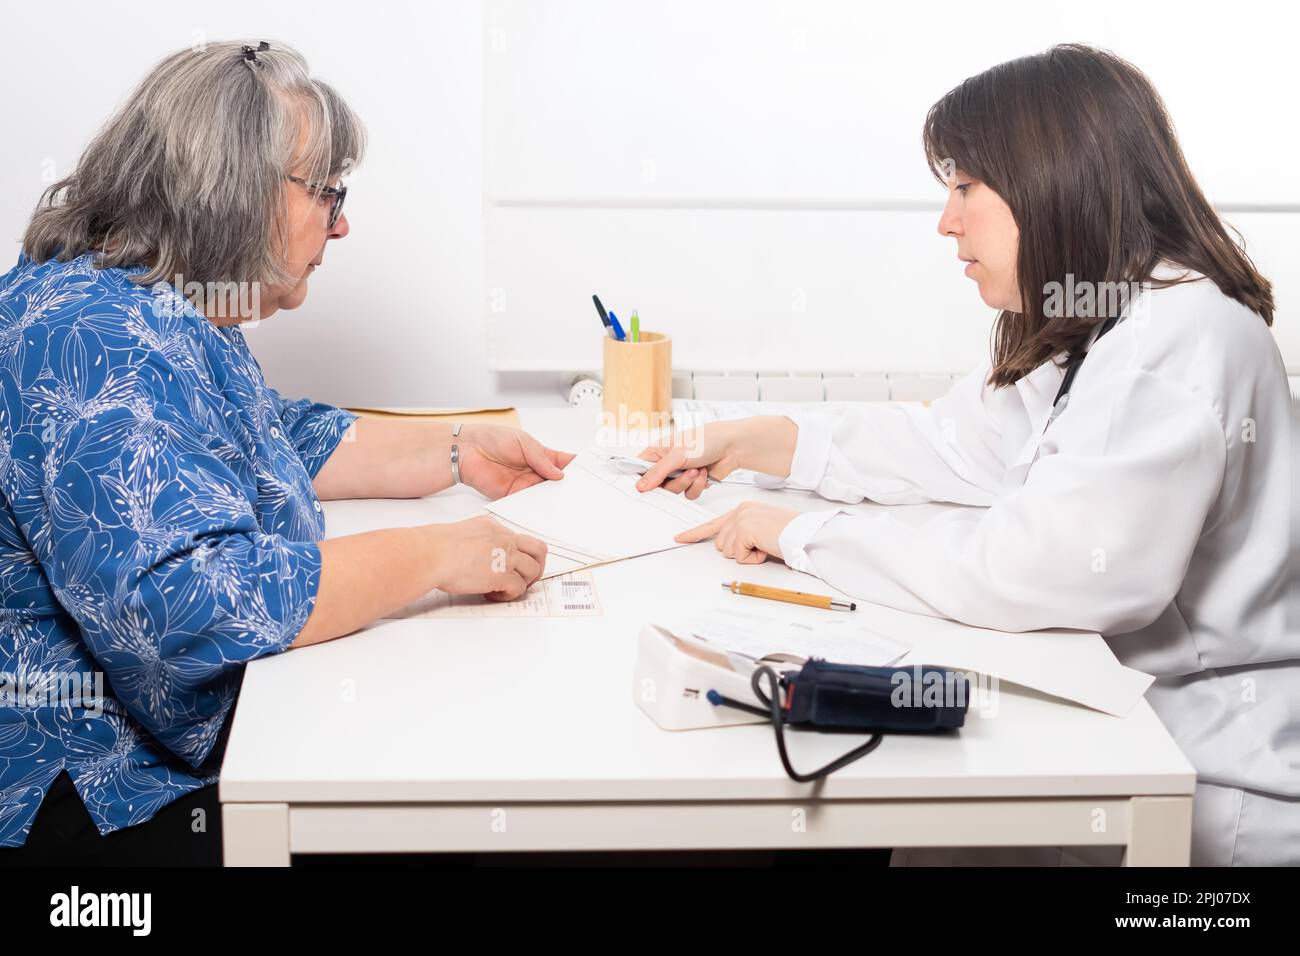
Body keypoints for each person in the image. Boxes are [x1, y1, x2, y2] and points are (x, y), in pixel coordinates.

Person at [636, 44, 1296, 866]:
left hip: (1203, 783)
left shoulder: (1178, 342)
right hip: (1115, 725)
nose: (946, 221)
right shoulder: (1107, 321)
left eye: (964, 187)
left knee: (919, 830)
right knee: (923, 832)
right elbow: (954, 443)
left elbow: (1039, 567)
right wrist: (758, 440)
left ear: (1053, 175)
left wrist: (804, 536)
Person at [0, 40, 570, 863]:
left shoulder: (170, 302)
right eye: (327, 192)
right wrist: (436, 556)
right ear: (235, 188)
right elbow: (184, 604)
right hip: (99, 791)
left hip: (187, 746)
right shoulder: (86, 337)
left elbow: (273, 435)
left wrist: (456, 451)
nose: (341, 222)